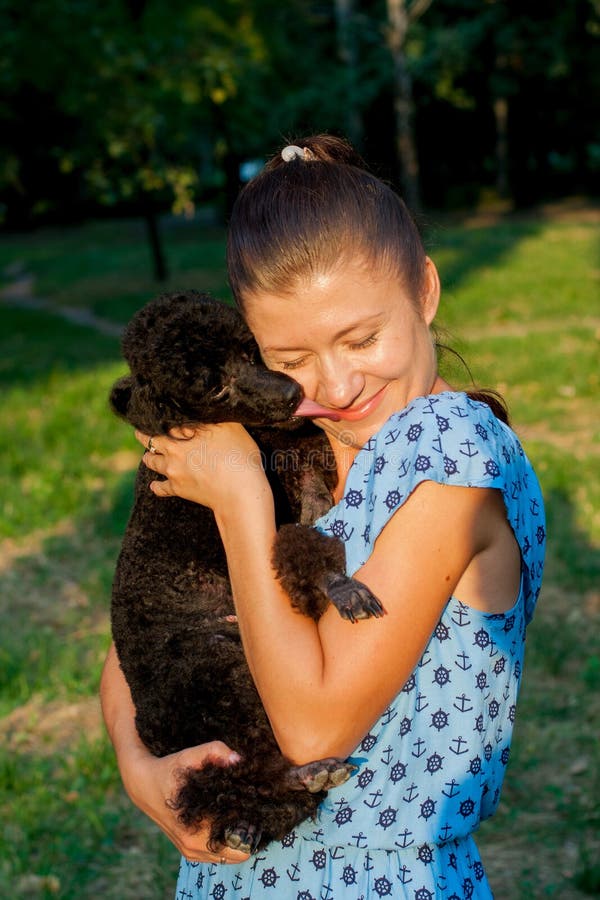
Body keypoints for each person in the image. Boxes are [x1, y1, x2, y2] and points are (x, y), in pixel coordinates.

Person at [100, 134, 545, 899]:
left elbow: (313, 730)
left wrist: (241, 499)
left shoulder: (450, 455)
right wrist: (140, 772)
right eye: (291, 358)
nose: (335, 384)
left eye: (362, 337)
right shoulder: (289, 441)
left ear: (426, 290)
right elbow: (135, 642)